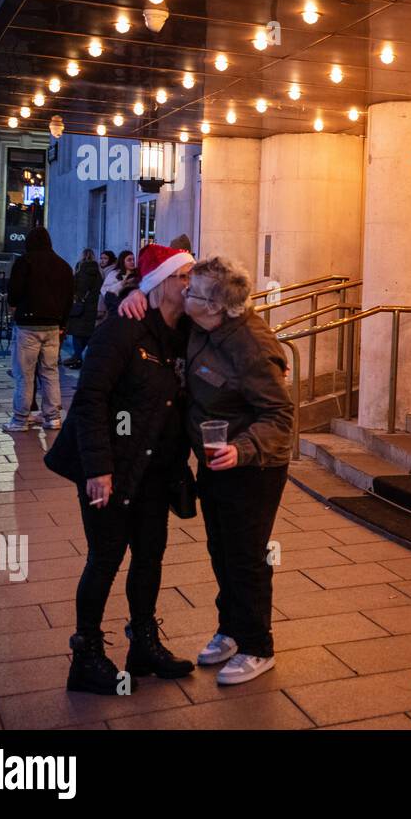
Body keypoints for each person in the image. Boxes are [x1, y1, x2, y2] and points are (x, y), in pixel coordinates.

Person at [119, 256, 294, 685]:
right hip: (215, 462)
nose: (185, 293)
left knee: (247, 555)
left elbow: (279, 416)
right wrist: (135, 293)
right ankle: (231, 629)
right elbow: (160, 306)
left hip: (254, 467)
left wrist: (243, 448)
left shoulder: (253, 346)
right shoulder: (200, 326)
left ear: (214, 305)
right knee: (221, 549)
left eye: (192, 291)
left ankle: (258, 646)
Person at [44, 243, 198, 694]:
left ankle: (143, 645)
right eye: (185, 276)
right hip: (110, 466)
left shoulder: (187, 331)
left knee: (150, 556)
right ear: (163, 283)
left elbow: (230, 318)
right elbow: (91, 400)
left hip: (155, 471)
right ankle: (86, 656)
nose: (192, 284)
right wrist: (98, 469)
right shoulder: (122, 329)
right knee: (106, 558)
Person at [3, 226, 72, 433]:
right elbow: (69, 299)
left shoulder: (24, 262)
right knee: (50, 371)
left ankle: (20, 419)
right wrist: (62, 324)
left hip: (27, 325)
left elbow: (14, 293)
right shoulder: (63, 265)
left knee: (25, 373)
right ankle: (53, 417)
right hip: (52, 326)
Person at [64, 249, 102, 369]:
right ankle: (81, 356)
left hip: (80, 306)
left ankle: (77, 357)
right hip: (93, 306)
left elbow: (76, 287)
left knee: (77, 333)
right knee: (87, 333)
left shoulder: (80, 269)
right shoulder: (99, 271)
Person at [97, 249, 135, 326]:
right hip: (116, 311)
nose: (132, 262)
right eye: (129, 260)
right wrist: (122, 283)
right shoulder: (114, 274)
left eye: (133, 259)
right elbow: (105, 291)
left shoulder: (136, 273)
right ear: (123, 261)